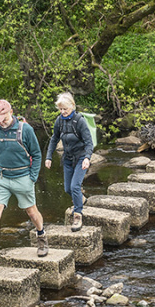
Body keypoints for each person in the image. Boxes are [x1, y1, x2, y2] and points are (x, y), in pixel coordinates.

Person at [0, 98, 46, 273]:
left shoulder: (25, 129)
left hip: (23, 176)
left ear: (11, 112)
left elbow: (37, 155)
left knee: (31, 212)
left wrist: (32, 178)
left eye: (4, 117)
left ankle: (41, 236)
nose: (2, 122)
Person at [45, 92, 94, 232]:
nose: (63, 112)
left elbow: (89, 142)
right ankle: (81, 199)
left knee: (75, 187)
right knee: (68, 189)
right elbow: (54, 139)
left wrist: (87, 158)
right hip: (67, 158)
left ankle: (78, 216)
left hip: (80, 158)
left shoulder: (80, 121)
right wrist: (48, 157)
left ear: (72, 106)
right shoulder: (59, 121)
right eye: (60, 109)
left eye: (65, 109)